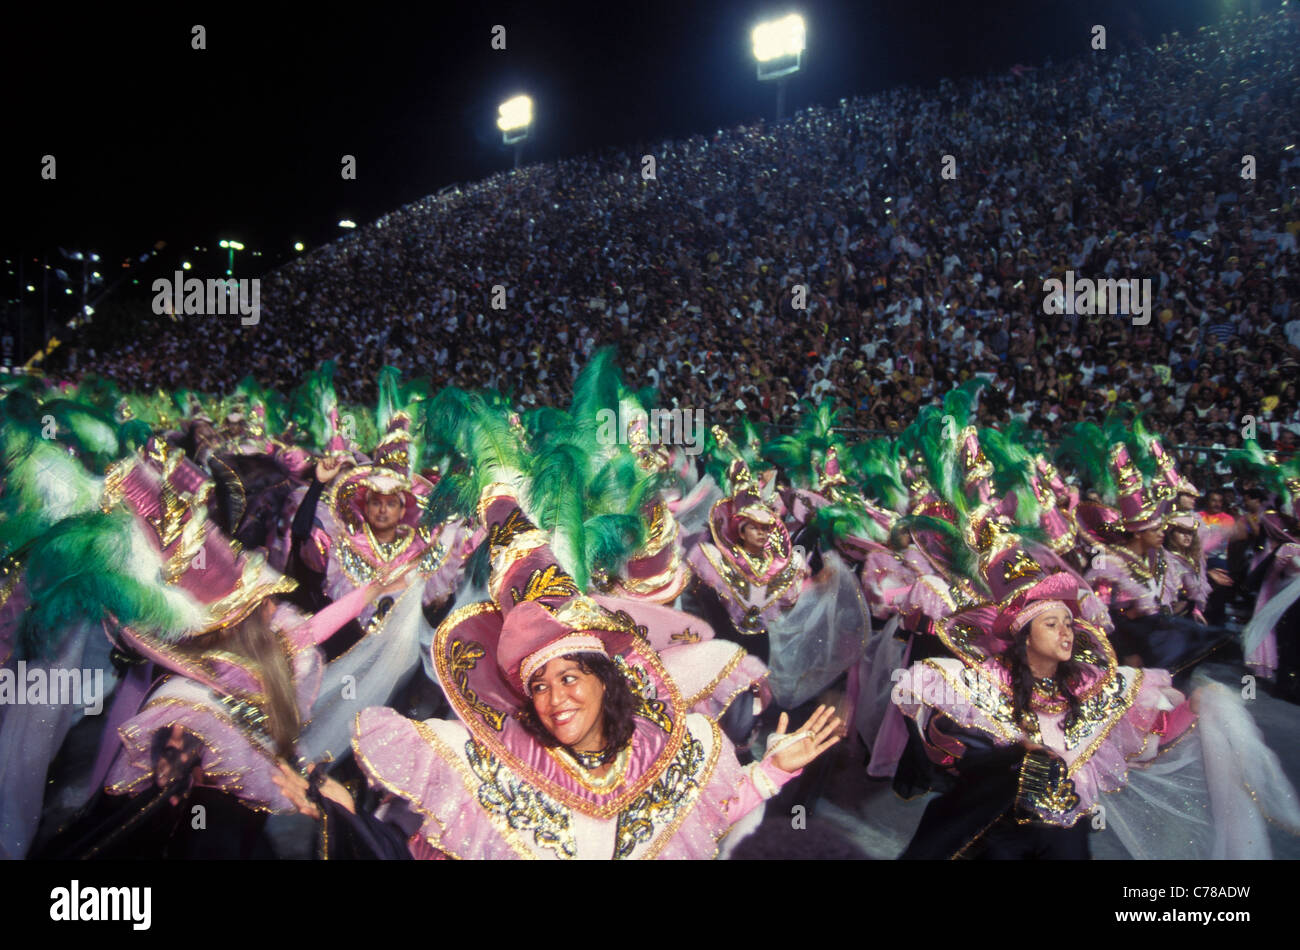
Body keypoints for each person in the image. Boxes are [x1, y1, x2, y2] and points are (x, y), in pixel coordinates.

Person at [274, 486, 843, 859]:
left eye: (570, 678)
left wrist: (771, 773)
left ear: (606, 680)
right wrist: (346, 816)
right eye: (539, 685)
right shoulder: (496, 768)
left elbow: (709, 812)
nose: (554, 698)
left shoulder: (667, 748)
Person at [895, 545, 1300, 859]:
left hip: (1067, 832)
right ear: (1024, 637)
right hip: (995, 827)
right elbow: (950, 744)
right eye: (1051, 624)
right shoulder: (981, 684)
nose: (1066, 632)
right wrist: (1014, 752)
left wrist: (1198, 706)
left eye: (1069, 623)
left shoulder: (1092, 685)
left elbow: (1150, 729)